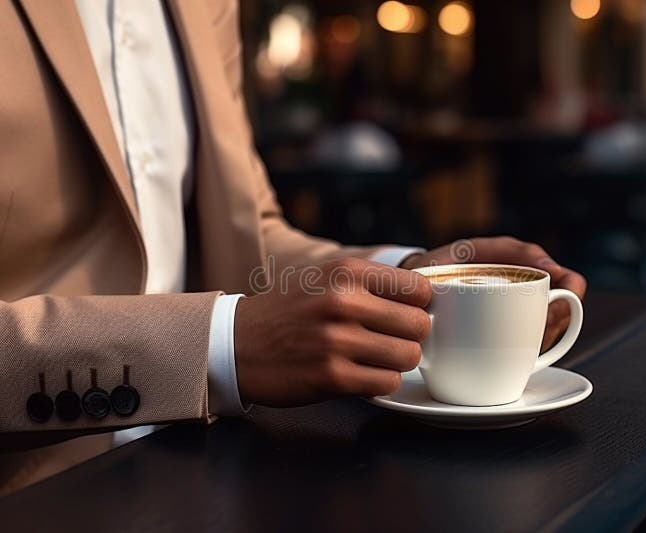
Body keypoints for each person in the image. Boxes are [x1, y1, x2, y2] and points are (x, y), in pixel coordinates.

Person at [0, 0, 586, 495]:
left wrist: (410, 279)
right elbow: (238, 321)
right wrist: (218, 345)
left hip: (208, 468)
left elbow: (248, 232)